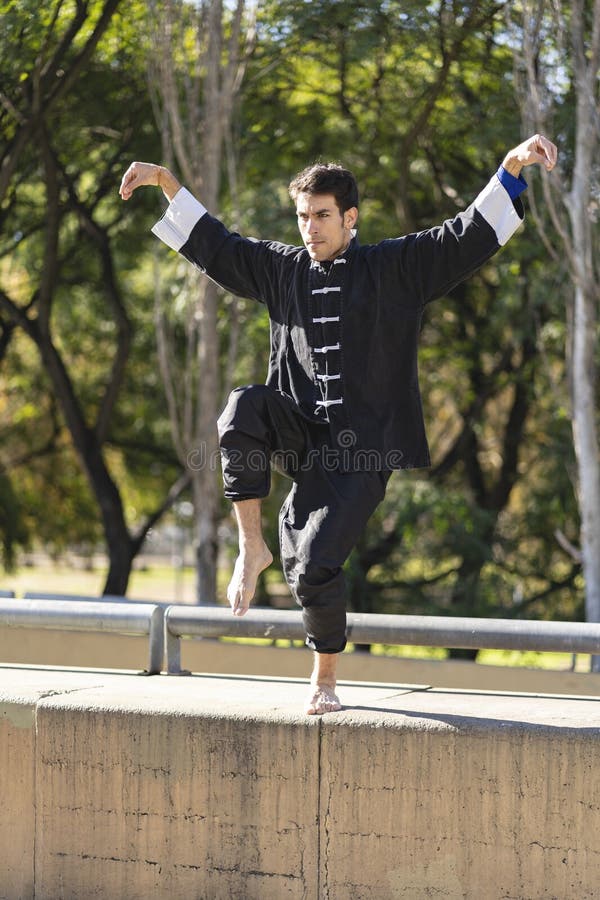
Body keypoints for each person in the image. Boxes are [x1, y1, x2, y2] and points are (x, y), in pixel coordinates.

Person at [120, 134, 557, 715]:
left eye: (322, 216)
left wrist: (511, 166)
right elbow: (217, 246)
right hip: (301, 435)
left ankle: (325, 676)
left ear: (349, 218)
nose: (310, 228)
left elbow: (463, 235)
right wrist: (166, 182)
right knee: (241, 408)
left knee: (315, 565)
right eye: (303, 216)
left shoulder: (393, 268)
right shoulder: (282, 270)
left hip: (363, 454)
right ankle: (251, 547)